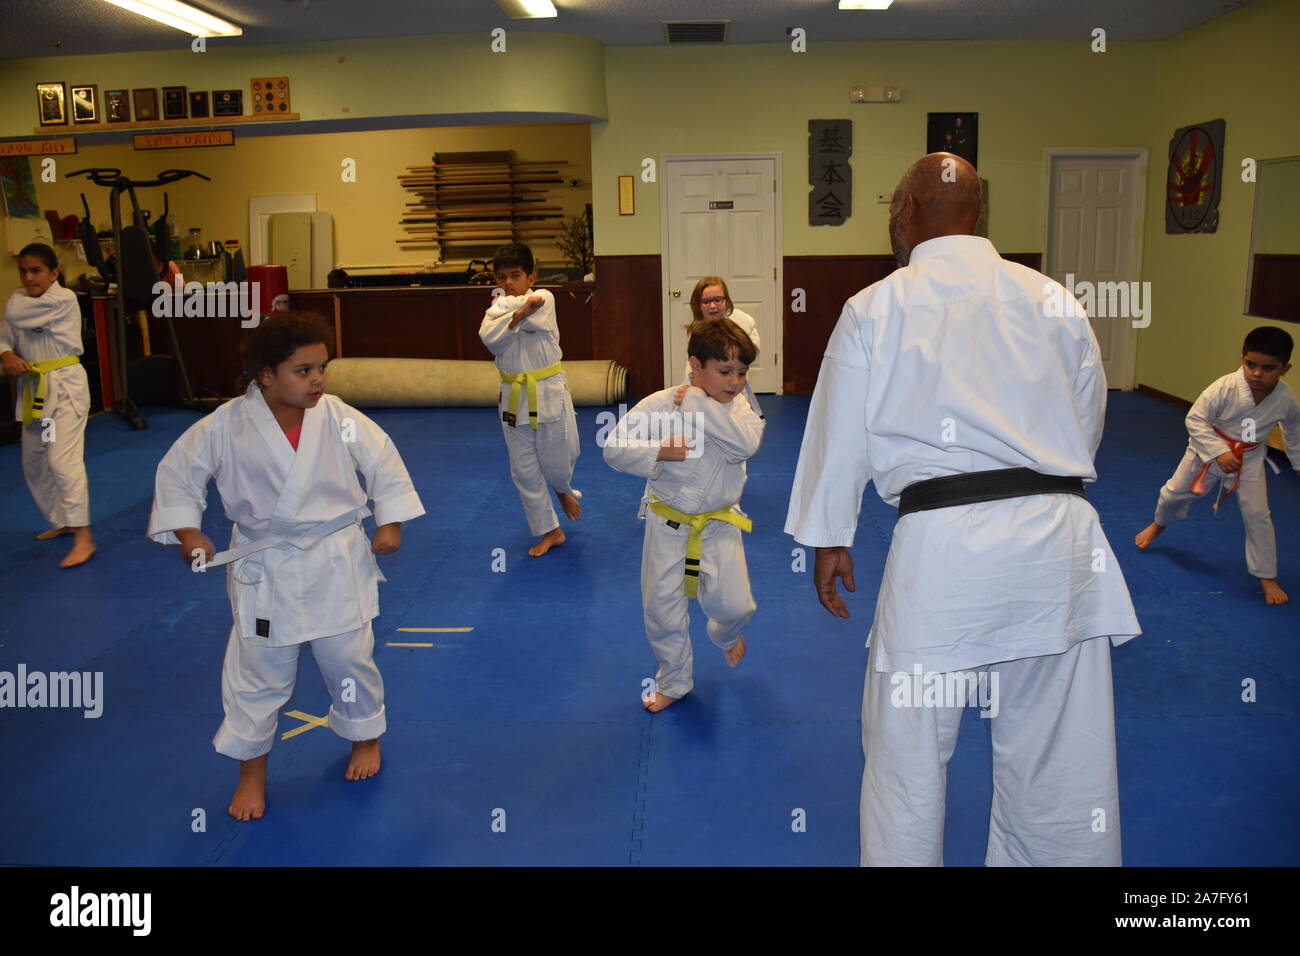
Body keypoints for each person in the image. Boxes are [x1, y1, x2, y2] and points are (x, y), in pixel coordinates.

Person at [785, 153, 1141, 866]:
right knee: (1063, 758)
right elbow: (1085, 422)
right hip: (1060, 545)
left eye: (892, 206)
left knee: (906, 755)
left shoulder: (876, 306)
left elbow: (838, 430)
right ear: (977, 214)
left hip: (943, 554)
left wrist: (830, 537)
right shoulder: (1052, 299)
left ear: (907, 212)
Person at [147, 313, 424, 821]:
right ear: (265, 375)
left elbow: (383, 460)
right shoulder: (226, 424)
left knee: (349, 660)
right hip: (266, 565)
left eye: (323, 368)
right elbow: (179, 475)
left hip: (335, 558)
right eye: (303, 370)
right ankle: (251, 773)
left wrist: (392, 521)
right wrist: (188, 533)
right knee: (257, 673)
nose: (318, 380)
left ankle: (365, 736)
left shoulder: (338, 415)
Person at [604, 319, 764, 712]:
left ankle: (725, 636)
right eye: (724, 371)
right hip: (668, 524)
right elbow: (613, 448)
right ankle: (674, 681)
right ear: (695, 364)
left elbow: (746, 445)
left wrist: (695, 402)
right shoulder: (661, 404)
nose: (735, 382)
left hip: (719, 524)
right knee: (662, 611)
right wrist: (657, 450)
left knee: (737, 607)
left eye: (742, 372)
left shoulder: (740, 409)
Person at [1135, 326, 1300, 604]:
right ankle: (1158, 524)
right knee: (1175, 493)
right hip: (1207, 451)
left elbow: (1294, 431)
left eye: (1269, 368)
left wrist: (1297, 462)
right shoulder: (1224, 387)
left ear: (1285, 368)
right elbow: (1195, 420)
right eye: (1251, 364)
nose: (1257, 373)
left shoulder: (1286, 398)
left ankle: (1267, 576)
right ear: (1242, 359)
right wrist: (1218, 452)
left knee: (1258, 513)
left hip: (1249, 459)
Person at [480, 241, 582, 557]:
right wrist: (519, 313)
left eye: (515, 275)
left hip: (548, 390)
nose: (508, 283)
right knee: (523, 470)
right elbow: (489, 340)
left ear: (531, 276)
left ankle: (562, 488)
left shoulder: (546, 298)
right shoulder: (491, 311)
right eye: (501, 278)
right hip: (512, 396)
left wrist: (512, 316)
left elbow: (534, 311)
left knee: (556, 457)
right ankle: (550, 530)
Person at [0, 242, 95, 567]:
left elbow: (12, 314)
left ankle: (84, 536)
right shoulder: (19, 299)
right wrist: (7, 354)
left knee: (62, 460)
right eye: (23, 270)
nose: (28, 277)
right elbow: (4, 334)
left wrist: (13, 309)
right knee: (35, 462)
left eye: (36, 270)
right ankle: (62, 520)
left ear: (54, 273)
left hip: (65, 388)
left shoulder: (63, 298)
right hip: (34, 390)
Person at [682, 276, 762, 417]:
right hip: (706, 394)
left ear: (726, 301)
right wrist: (689, 392)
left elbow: (751, 352)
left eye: (717, 299)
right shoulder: (697, 332)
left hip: (735, 392)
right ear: (698, 305)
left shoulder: (743, 322)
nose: (713, 306)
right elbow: (693, 369)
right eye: (706, 301)